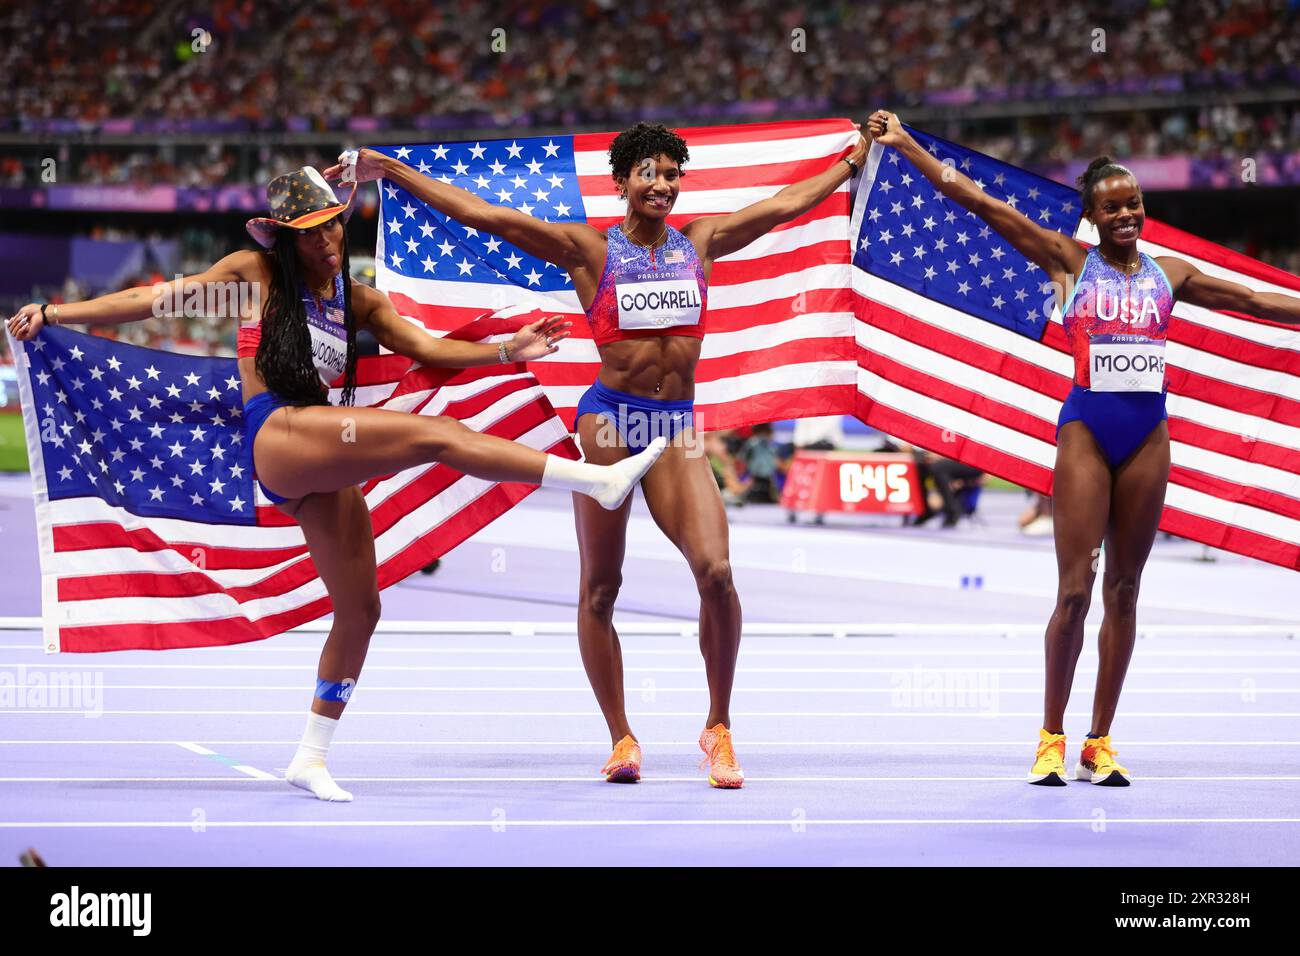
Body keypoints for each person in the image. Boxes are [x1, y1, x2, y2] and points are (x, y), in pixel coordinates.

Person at [6, 166, 666, 802]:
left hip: (320, 457)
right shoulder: (253, 277)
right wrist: (57, 312)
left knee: (362, 609)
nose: (325, 243)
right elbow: (155, 300)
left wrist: (504, 350)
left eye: (333, 228)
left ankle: (310, 755)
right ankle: (595, 478)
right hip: (280, 437)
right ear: (286, 239)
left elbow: (429, 351)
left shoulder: (359, 299)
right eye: (310, 233)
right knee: (432, 437)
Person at [332, 122, 868, 787]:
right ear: (621, 182)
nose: (662, 185)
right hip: (609, 424)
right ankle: (621, 737)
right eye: (649, 173)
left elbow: (785, 205)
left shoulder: (701, 241)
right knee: (600, 588)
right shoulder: (588, 250)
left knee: (718, 572)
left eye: (672, 174)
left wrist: (850, 162)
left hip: (676, 427)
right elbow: (485, 214)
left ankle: (718, 727)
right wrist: (391, 172)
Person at [867, 111, 1300, 786]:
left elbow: (1255, 300)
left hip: (1148, 436)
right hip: (1087, 431)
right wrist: (907, 145)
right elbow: (977, 201)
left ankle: (1101, 740)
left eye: (1134, 202)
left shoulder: (1174, 275)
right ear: (1092, 216)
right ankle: (1051, 737)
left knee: (1126, 591)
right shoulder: (1069, 261)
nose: (1127, 212)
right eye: (1112, 206)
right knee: (1075, 590)